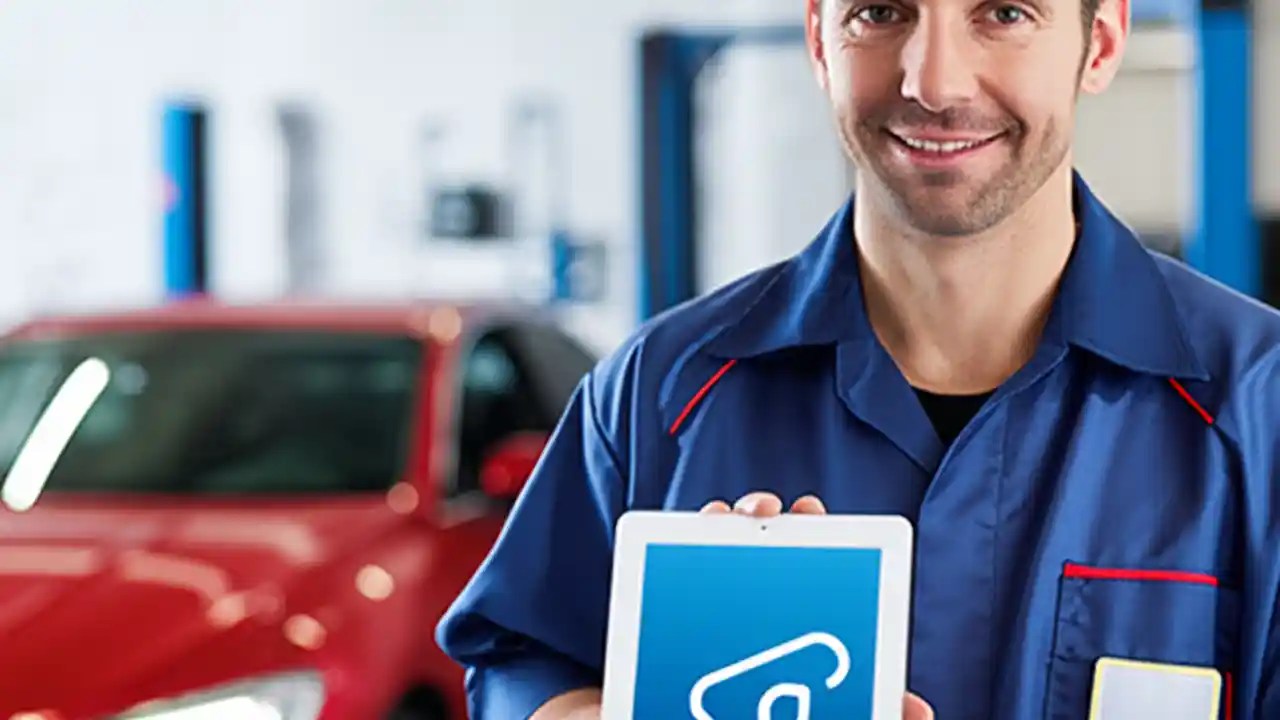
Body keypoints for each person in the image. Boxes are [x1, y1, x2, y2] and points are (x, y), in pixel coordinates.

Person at [437, 0, 1280, 714]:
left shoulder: (1260, 404)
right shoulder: (660, 393)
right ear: (819, 37)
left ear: (1100, 42)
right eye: (880, 12)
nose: (935, 83)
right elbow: (522, 664)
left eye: (1004, 13)